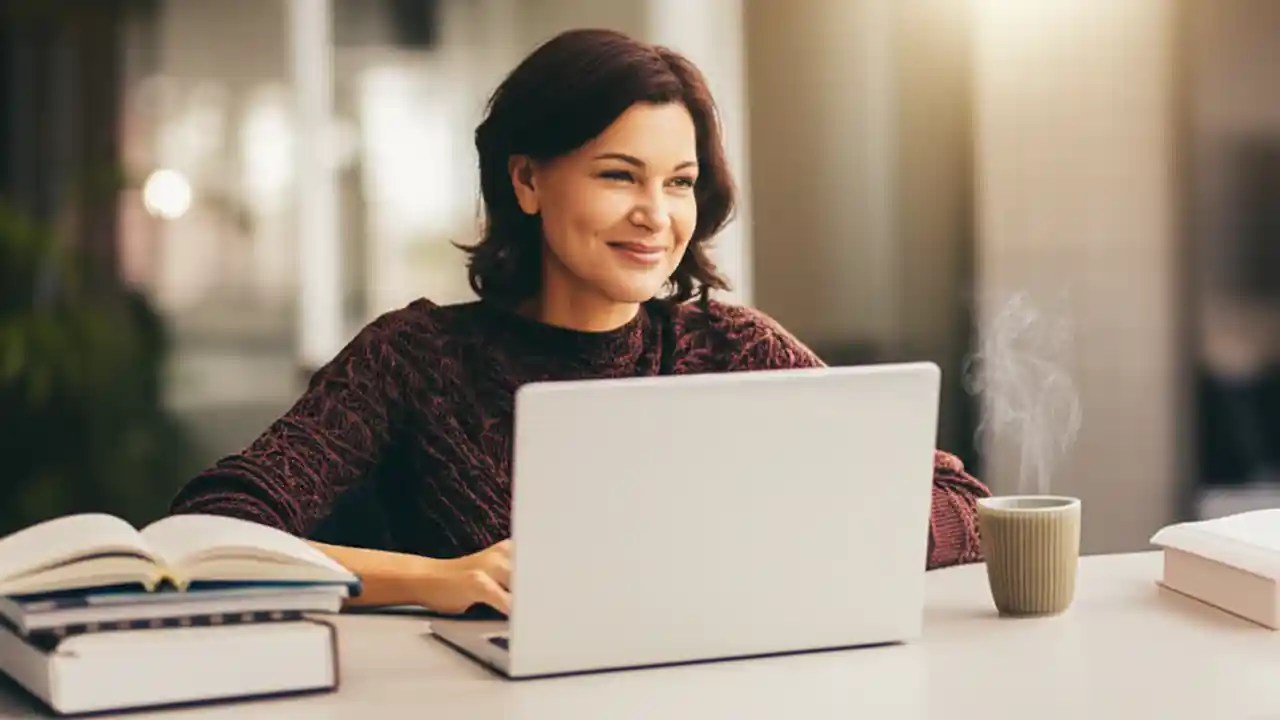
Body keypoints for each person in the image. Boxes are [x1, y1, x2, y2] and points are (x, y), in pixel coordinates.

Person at [169, 28, 990, 617]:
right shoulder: (416, 355)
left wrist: (782, 534)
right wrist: (434, 579)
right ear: (526, 181)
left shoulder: (731, 346)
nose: (655, 216)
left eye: (679, 182)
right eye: (618, 175)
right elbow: (208, 536)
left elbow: (962, 506)